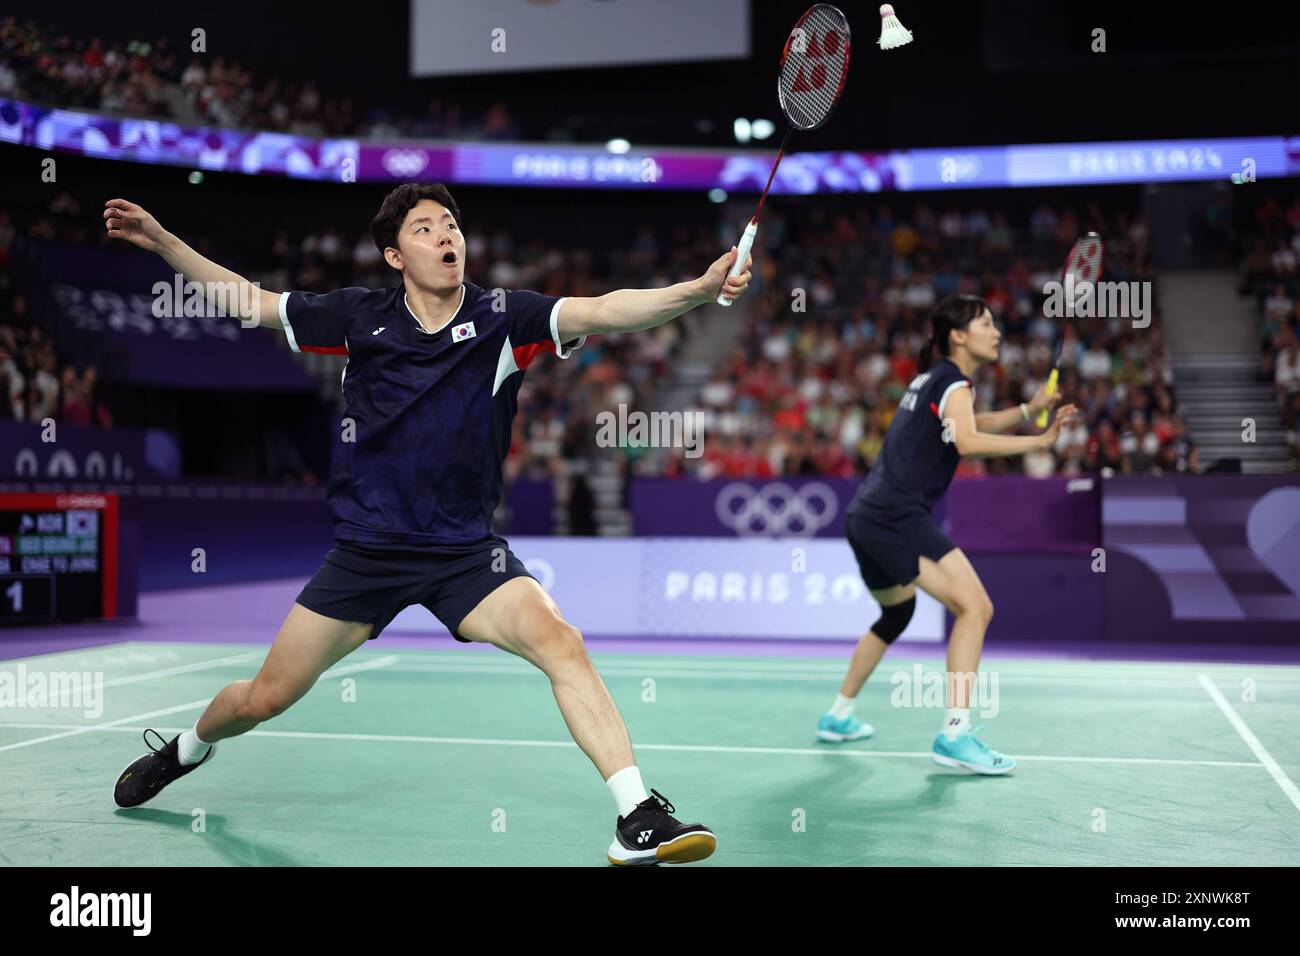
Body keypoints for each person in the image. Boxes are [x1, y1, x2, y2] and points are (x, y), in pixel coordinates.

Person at [104, 182, 751, 865]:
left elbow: (607, 310)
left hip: (465, 556)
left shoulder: (504, 317)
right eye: (425, 228)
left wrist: (698, 290)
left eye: (451, 225)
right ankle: (187, 749)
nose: (446, 236)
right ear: (395, 256)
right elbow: (253, 302)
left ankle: (636, 815)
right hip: (367, 553)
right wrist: (165, 243)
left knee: (561, 642)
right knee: (265, 698)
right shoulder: (358, 316)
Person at [816, 294, 1077, 774]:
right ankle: (955, 734)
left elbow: (965, 425)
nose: (996, 332)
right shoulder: (954, 381)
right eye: (986, 323)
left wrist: (1028, 408)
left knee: (897, 614)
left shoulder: (933, 379)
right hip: (897, 517)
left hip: (866, 517)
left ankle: (838, 714)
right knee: (976, 608)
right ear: (958, 335)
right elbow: (968, 440)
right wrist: (1039, 440)